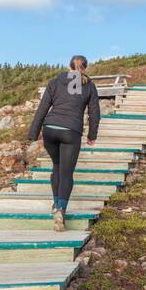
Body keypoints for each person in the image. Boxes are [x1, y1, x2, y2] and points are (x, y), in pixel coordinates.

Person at [27, 55, 100, 231]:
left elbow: (43, 106)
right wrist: (92, 135)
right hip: (70, 131)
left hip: (50, 129)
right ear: (85, 68)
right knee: (66, 172)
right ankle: (61, 209)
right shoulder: (88, 85)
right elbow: (94, 113)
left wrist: (33, 132)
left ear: (69, 66)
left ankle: (56, 204)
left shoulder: (55, 81)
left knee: (57, 166)